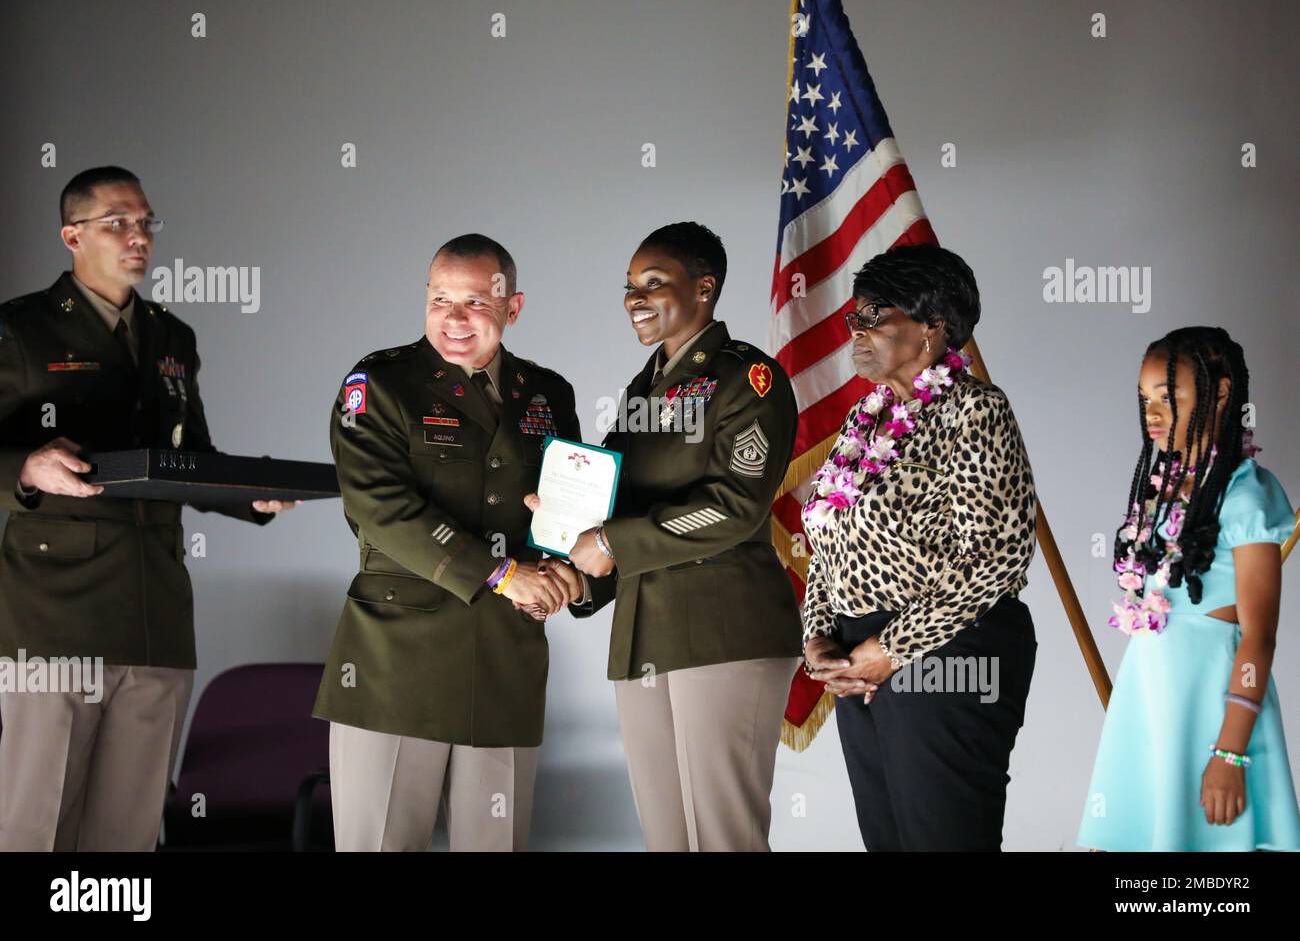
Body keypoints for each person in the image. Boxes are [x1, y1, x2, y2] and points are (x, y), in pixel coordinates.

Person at [0, 166, 294, 851]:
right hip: (54, 617)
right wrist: (27, 466)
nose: (139, 237)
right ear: (72, 236)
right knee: (32, 825)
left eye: (146, 223)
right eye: (117, 223)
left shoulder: (170, 336)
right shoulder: (20, 331)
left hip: (155, 610)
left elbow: (189, 455)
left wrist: (250, 496)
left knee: (127, 833)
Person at [537, 221, 803, 852]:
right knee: (668, 841)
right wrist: (572, 568)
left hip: (723, 630)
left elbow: (735, 506)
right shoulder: (645, 387)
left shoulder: (748, 379)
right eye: (629, 286)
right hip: (643, 634)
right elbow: (613, 505)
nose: (634, 298)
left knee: (724, 837)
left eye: (653, 283)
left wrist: (608, 545)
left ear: (705, 288)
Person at [314, 233, 583, 852]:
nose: (454, 319)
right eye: (440, 299)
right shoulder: (379, 384)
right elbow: (379, 508)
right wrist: (502, 572)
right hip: (395, 660)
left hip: (505, 653)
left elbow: (569, 505)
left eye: (475, 302)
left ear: (512, 309)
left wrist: (570, 566)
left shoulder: (548, 394)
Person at [801, 243, 1038, 851]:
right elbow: (827, 541)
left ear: (932, 328)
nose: (856, 329)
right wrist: (821, 637)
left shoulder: (975, 411)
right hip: (860, 657)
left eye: (875, 316)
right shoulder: (866, 420)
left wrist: (893, 646)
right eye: (855, 315)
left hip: (948, 652)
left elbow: (996, 555)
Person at [1077, 326, 1300, 851]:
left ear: (1220, 394)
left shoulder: (1248, 494)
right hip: (1153, 696)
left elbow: (1259, 637)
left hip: (1215, 706)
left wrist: (1229, 753)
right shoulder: (1167, 487)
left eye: (1168, 396)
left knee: (1207, 863)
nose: (1151, 412)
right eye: (1145, 397)